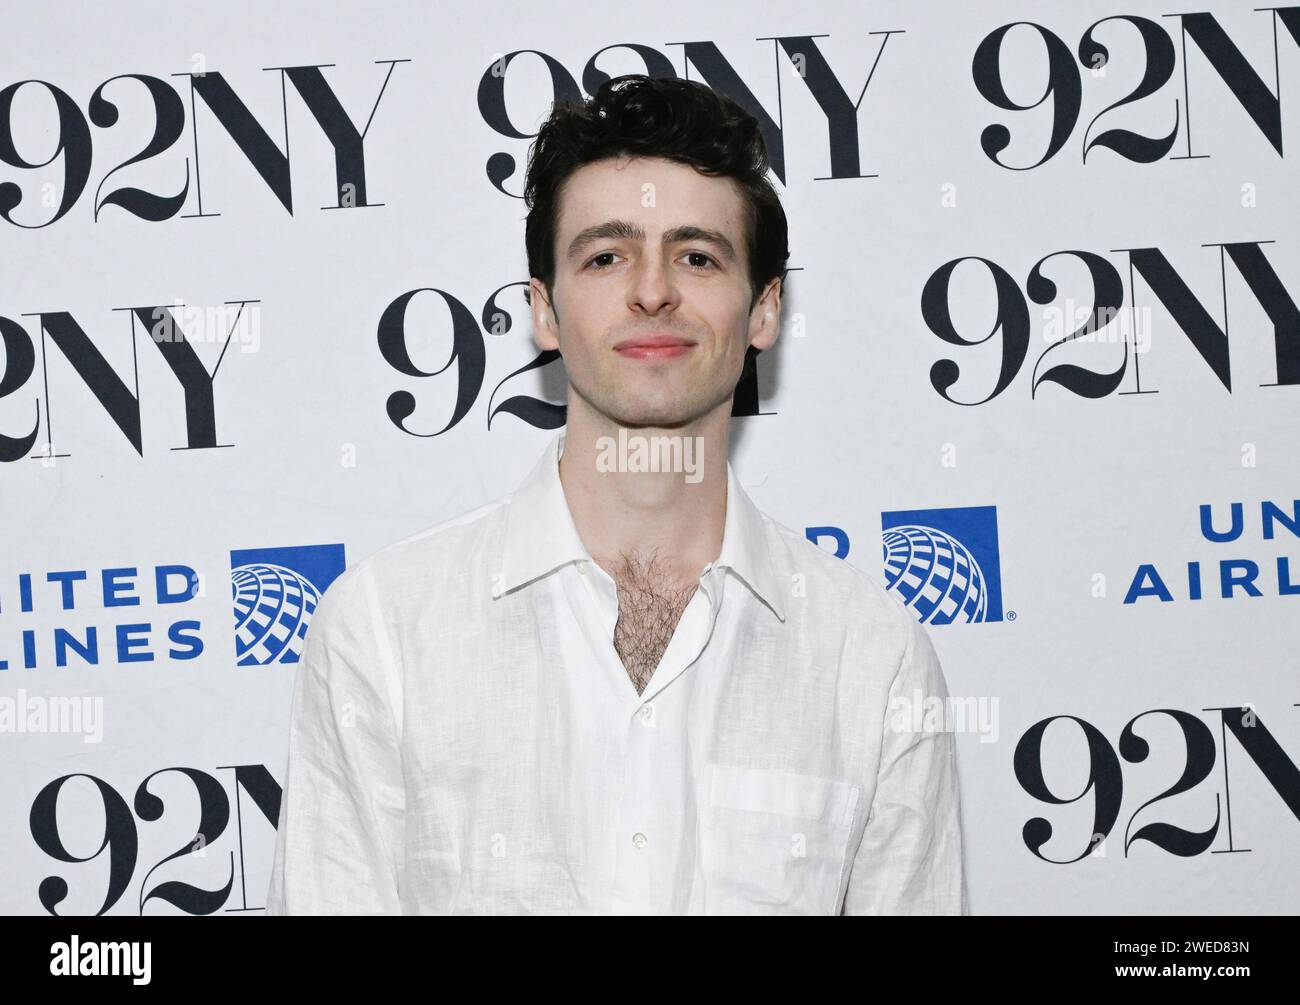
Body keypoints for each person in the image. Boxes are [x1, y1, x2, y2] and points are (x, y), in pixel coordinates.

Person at [266, 74, 966, 915]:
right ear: (545, 312)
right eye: (606, 255)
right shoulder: (382, 631)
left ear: (765, 310)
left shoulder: (873, 659)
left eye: (697, 255)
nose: (651, 289)